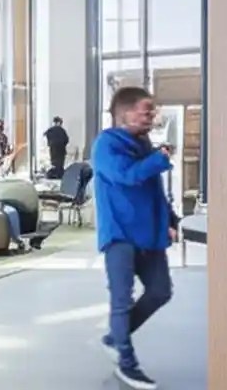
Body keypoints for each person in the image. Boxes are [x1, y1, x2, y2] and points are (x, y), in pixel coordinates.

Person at [93, 87, 179, 390]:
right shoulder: (106, 144)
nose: (151, 115)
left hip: (149, 235)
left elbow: (152, 189)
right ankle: (127, 365)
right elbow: (125, 176)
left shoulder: (143, 144)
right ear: (125, 113)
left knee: (160, 292)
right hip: (119, 236)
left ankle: (115, 336)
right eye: (146, 110)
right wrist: (159, 160)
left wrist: (170, 219)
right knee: (121, 300)